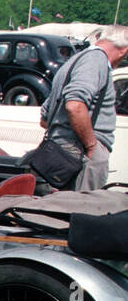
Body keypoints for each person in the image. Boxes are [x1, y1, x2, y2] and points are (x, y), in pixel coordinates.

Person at [38, 25, 128, 192]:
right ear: (124, 50)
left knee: (59, 209)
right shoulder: (96, 61)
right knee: (81, 210)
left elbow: (44, 118)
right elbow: (75, 105)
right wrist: (92, 145)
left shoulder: (75, 61)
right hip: (81, 152)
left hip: (62, 150)